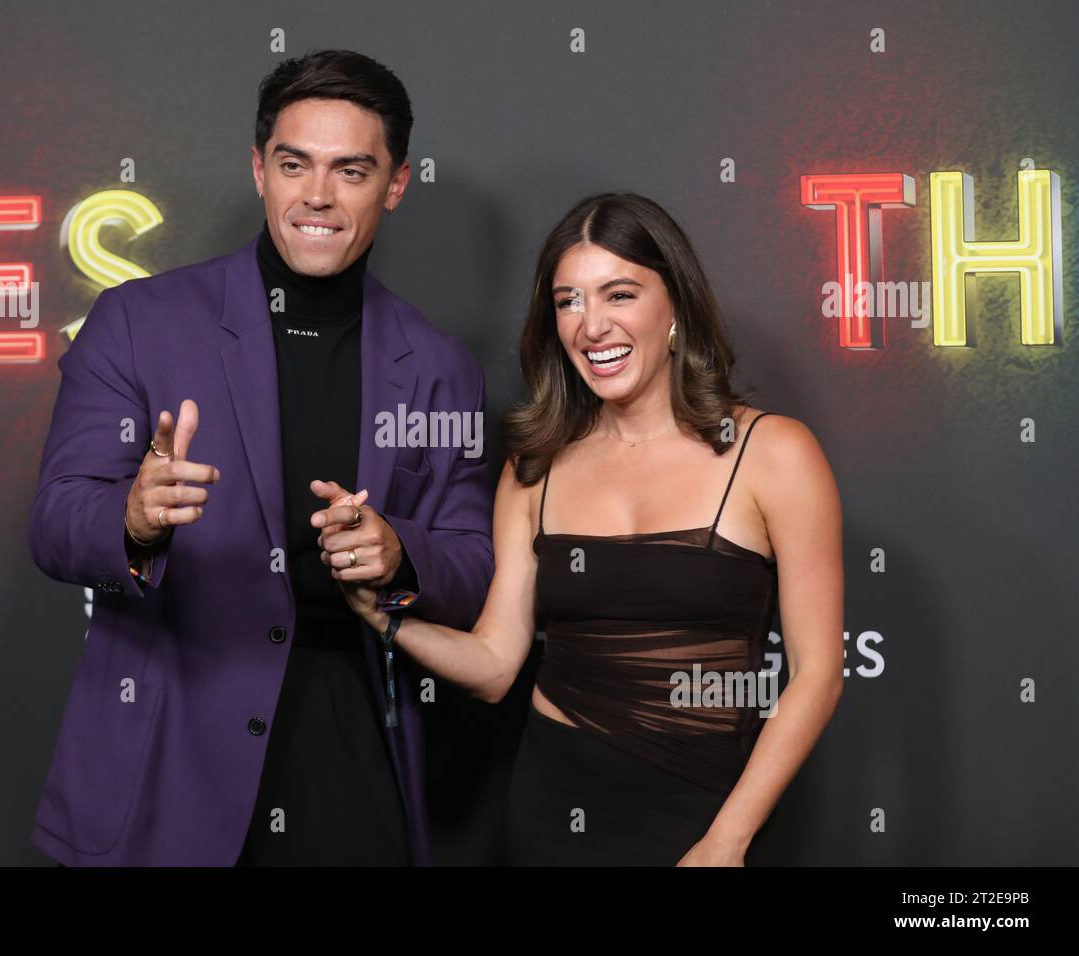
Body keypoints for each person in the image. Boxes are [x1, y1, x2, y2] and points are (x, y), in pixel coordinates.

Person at [27, 49, 493, 866]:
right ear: (258, 169)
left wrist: (401, 553)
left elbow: (473, 559)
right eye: (294, 165)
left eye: (351, 170)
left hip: (350, 744)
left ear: (395, 184)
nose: (317, 196)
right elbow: (57, 522)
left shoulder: (439, 364)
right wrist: (132, 519)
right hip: (169, 743)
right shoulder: (139, 320)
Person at [334, 192, 844, 865]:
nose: (591, 325)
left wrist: (728, 839)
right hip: (552, 807)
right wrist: (387, 619)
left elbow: (818, 673)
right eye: (569, 301)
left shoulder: (773, 453)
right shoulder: (534, 465)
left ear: (676, 310)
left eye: (619, 294)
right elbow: (494, 666)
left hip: (710, 811)